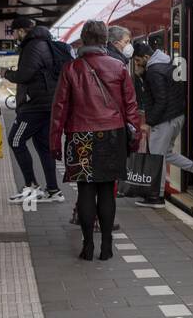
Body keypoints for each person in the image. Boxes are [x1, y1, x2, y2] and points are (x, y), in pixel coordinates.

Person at [50, 20, 141, 261]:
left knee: (86, 190)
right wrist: (135, 137)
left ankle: (88, 245)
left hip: (80, 135)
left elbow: (59, 108)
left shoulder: (71, 68)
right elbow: (131, 107)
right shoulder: (119, 67)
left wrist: (54, 140)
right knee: (107, 191)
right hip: (112, 134)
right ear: (104, 40)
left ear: (83, 39)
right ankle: (107, 247)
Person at [5, 16, 66, 203]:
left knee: (15, 140)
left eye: (14, 32)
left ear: (22, 31)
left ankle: (31, 187)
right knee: (43, 147)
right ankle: (54, 190)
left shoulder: (33, 46)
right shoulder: (44, 43)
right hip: (47, 104)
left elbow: (25, 75)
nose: (14, 36)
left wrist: (7, 73)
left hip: (35, 106)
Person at [134, 41, 193, 207]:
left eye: (138, 60)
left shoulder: (154, 72)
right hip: (177, 117)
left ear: (147, 57)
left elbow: (160, 100)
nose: (136, 64)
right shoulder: (166, 63)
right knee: (166, 153)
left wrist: (149, 122)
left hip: (164, 120)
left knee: (156, 158)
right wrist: (142, 75)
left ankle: (156, 196)